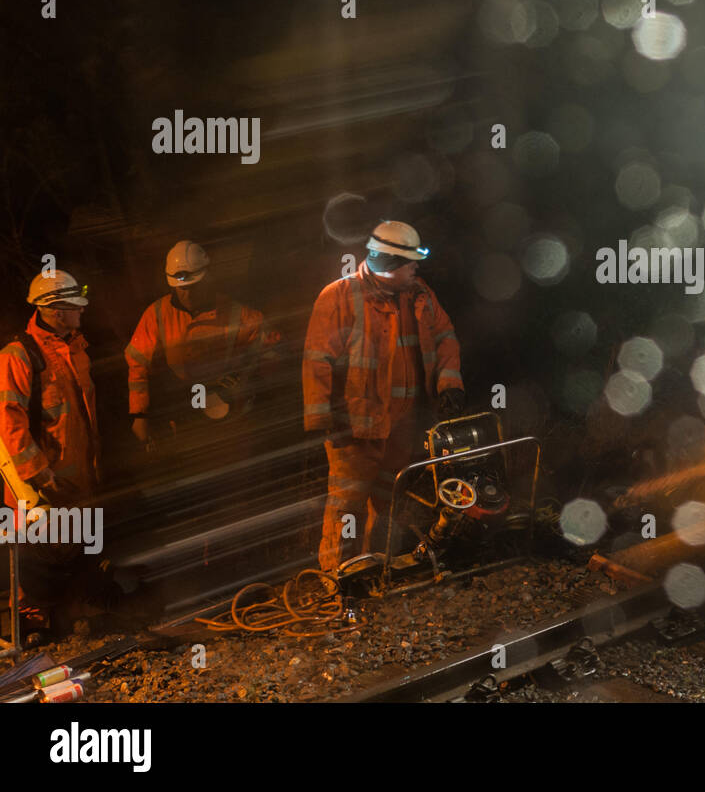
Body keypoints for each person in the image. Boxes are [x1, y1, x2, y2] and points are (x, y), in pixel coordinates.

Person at [303, 220, 465, 572]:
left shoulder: (419, 294)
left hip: (401, 425)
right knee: (348, 506)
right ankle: (340, 579)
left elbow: (445, 337)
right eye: (409, 262)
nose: (415, 268)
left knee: (389, 502)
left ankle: (377, 570)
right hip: (354, 429)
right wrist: (322, 418)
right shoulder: (339, 297)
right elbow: (318, 359)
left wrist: (449, 384)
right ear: (389, 263)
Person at [0, 270, 99, 644]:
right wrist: (39, 475)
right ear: (57, 310)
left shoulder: (74, 349)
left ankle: (70, 615)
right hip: (39, 482)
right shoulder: (19, 356)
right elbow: (9, 423)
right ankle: (30, 623)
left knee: (72, 543)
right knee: (33, 551)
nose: (82, 313)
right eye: (76, 307)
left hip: (76, 475)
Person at [124, 240, 280, 447]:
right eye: (182, 288)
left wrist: (250, 380)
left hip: (231, 411)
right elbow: (137, 365)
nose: (188, 294)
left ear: (207, 279)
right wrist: (140, 415)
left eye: (194, 286)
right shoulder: (157, 315)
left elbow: (271, 350)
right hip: (184, 409)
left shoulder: (237, 314)